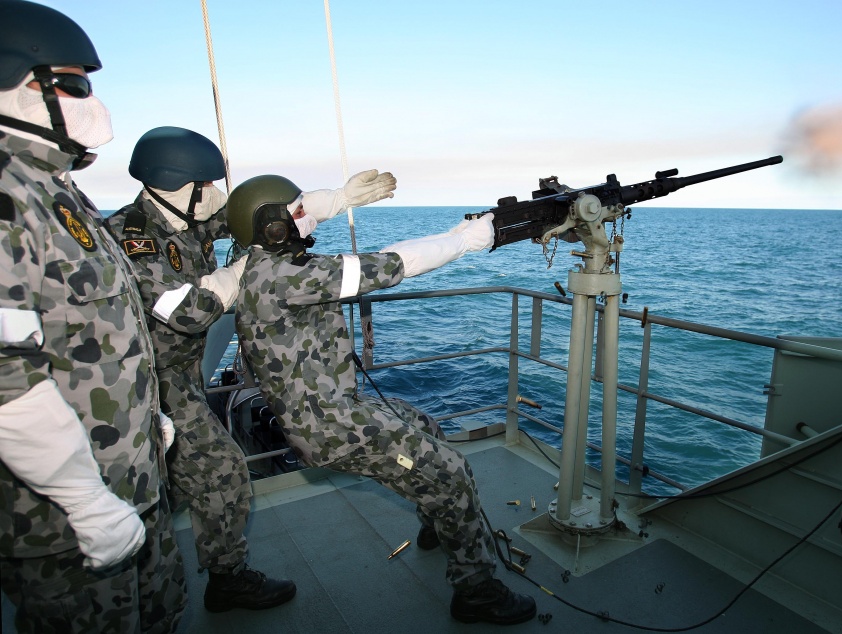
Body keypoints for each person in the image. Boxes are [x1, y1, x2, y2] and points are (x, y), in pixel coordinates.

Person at [227, 174, 537, 625]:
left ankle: (440, 524)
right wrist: (468, 240)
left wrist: (453, 235)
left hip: (335, 407)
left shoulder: (260, 267)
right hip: (330, 425)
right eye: (296, 211)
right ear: (272, 227)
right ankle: (477, 591)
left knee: (426, 427)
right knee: (451, 474)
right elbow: (392, 265)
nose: (306, 214)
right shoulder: (286, 276)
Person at [0, 2, 186, 632]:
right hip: (65, 519)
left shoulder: (57, 191)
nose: (92, 101)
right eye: (73, 85)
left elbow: (95, 330)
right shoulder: (7, 197)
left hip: (130, 477)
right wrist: (83, 500)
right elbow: (5, 379)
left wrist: (143, 415)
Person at [104, 126, 299, 613]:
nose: (215, 194)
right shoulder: (134, 236)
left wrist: (331, 199)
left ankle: (222, 577)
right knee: (214, 475)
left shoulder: (186, 219)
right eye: (206, 185)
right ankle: (208, 584)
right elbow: (188, 312)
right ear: (178, 185)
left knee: (200, 482)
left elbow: (251, 218)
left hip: (182, 379)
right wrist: (237, 275)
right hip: (148, 387)